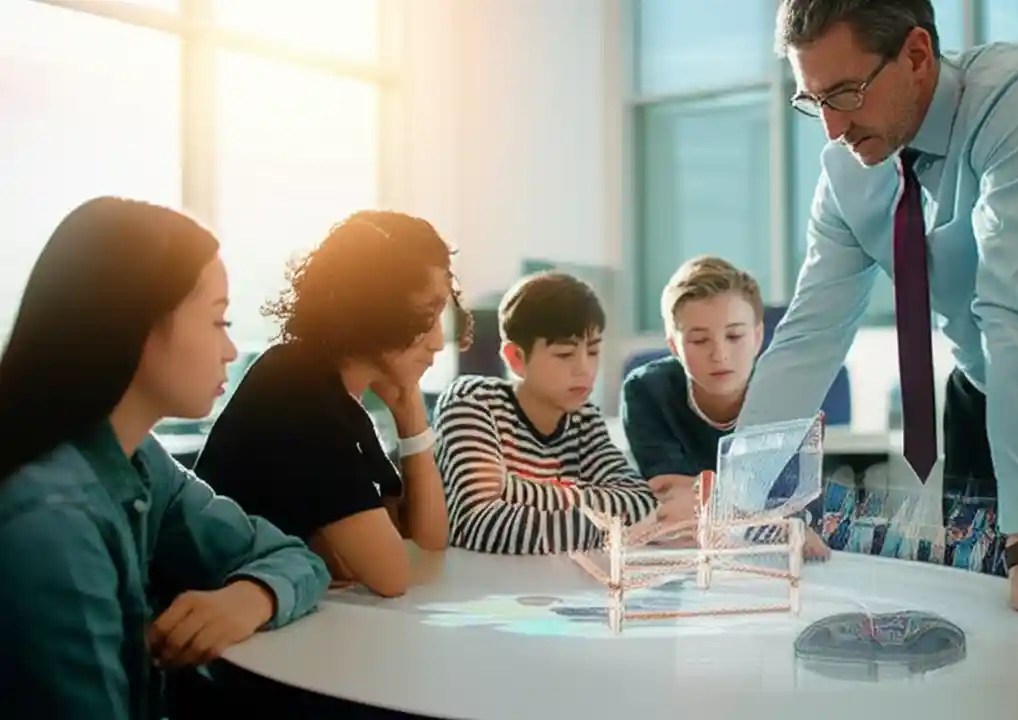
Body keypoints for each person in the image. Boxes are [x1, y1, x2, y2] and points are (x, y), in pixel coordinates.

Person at [743, 0, 1018, 654]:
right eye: (814, 101)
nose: (832, 128)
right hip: (979, 403)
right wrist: (746, 500)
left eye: (847, 93)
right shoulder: (848, 171)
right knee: (981, 653)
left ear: (917, 55)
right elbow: (809, 335)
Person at [0, 197, 330, 719]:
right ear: (138, 325)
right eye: (218, 320)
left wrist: (252, 596)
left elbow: (295, 556)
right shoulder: (51, 518)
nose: (228, 350)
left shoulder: (141, 461)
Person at [195, 211, 468, 598]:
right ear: (373, 306)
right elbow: (393, 575)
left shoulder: (343, 400)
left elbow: (427, 543)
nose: (438, 341)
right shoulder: (294, 386)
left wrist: (410, 412)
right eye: (427, 315)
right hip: (222, 624)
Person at [433, 271, 677, 555]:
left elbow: (640, 502)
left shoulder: (583, 418)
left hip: (557, 586)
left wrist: (515, 491)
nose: (585, 369)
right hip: (473, 588)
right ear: (516, 358)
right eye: (564, 354)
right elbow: (479, 526)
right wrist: (607, 520)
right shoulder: (473, 403)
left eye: (594, 351)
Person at [620, 256, 829, 560]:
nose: (719, 354)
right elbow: (673, 500)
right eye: (699, 340)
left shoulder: (787, 393)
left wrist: (707, 500)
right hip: (686, 558)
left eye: (734, 336)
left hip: (770, 563)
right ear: (674, 345)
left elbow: (796, 510)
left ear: (758, 336)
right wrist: (757, 513)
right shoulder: (645, 390)